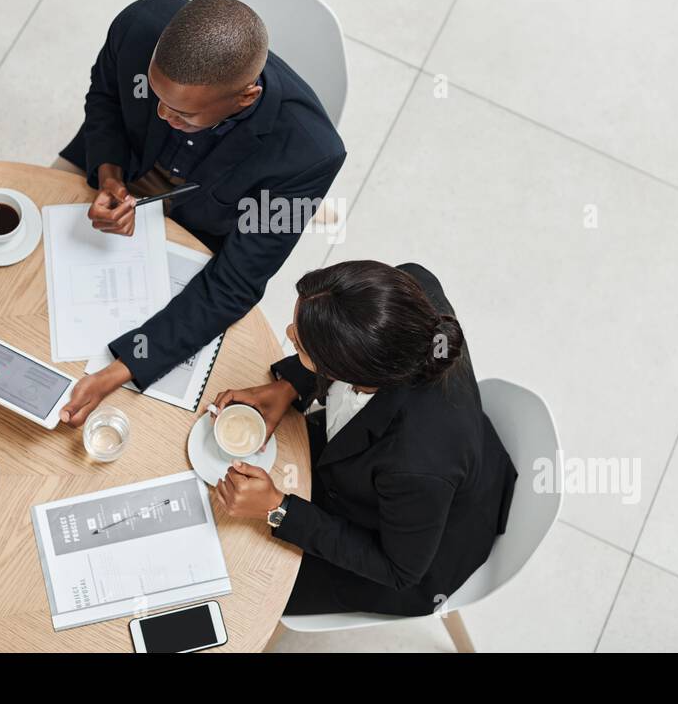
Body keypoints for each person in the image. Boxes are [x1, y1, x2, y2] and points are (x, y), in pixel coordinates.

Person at [53, 0, 346, 426]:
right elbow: (106, 99)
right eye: (155, 95)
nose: (161, 113)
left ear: (246, 97)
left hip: (210, 220)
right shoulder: (138, 24)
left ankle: (300, 209)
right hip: (123, 161)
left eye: (183, 115)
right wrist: (110, 174)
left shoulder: (310, 154)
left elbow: (234, 283)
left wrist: (120, 369)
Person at [210, 261, 517, 616]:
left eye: (302, 346)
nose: (289, 332)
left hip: (408, 553)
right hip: (389, 468)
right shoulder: (412, 293)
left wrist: (278, 510)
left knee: (242, 586)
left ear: (347, 370)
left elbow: (399, 571)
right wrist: (291, 384)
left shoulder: (414, 465)